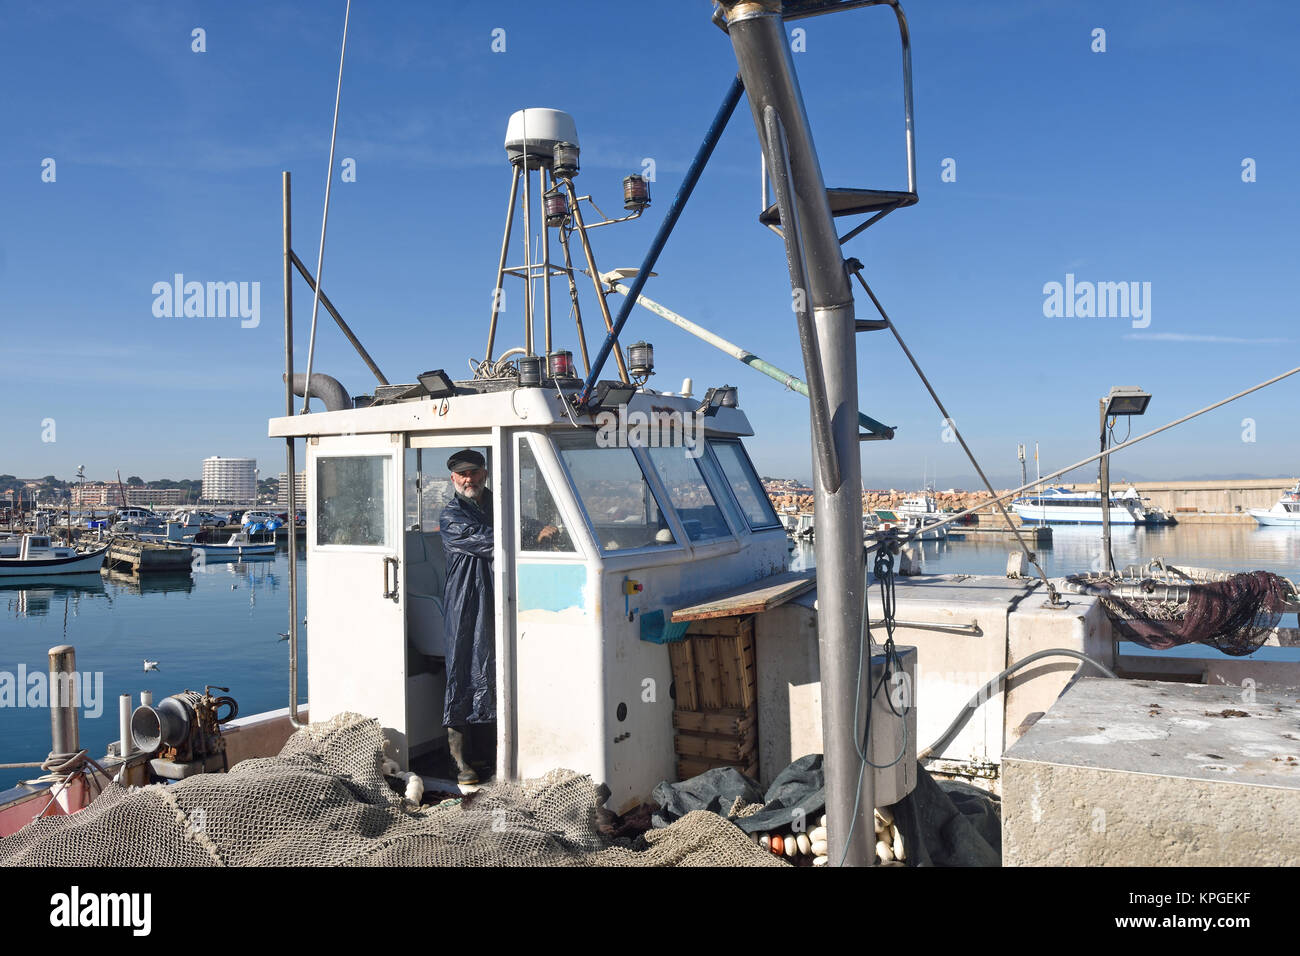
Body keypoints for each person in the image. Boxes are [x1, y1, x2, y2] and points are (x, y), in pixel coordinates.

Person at [439, 448, 560, 785]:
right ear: (453, 479)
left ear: (485, 474)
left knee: (496, 670)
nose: (469, 480)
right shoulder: (451, 516)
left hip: (499, 597)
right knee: (463, 672)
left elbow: (520, 524)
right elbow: (493, 541)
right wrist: (533, 536)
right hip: (466, 603)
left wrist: (545, 528)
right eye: (462, 474)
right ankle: (459, 761)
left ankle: (496, 755)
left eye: (474, 473)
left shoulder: (497, 504)